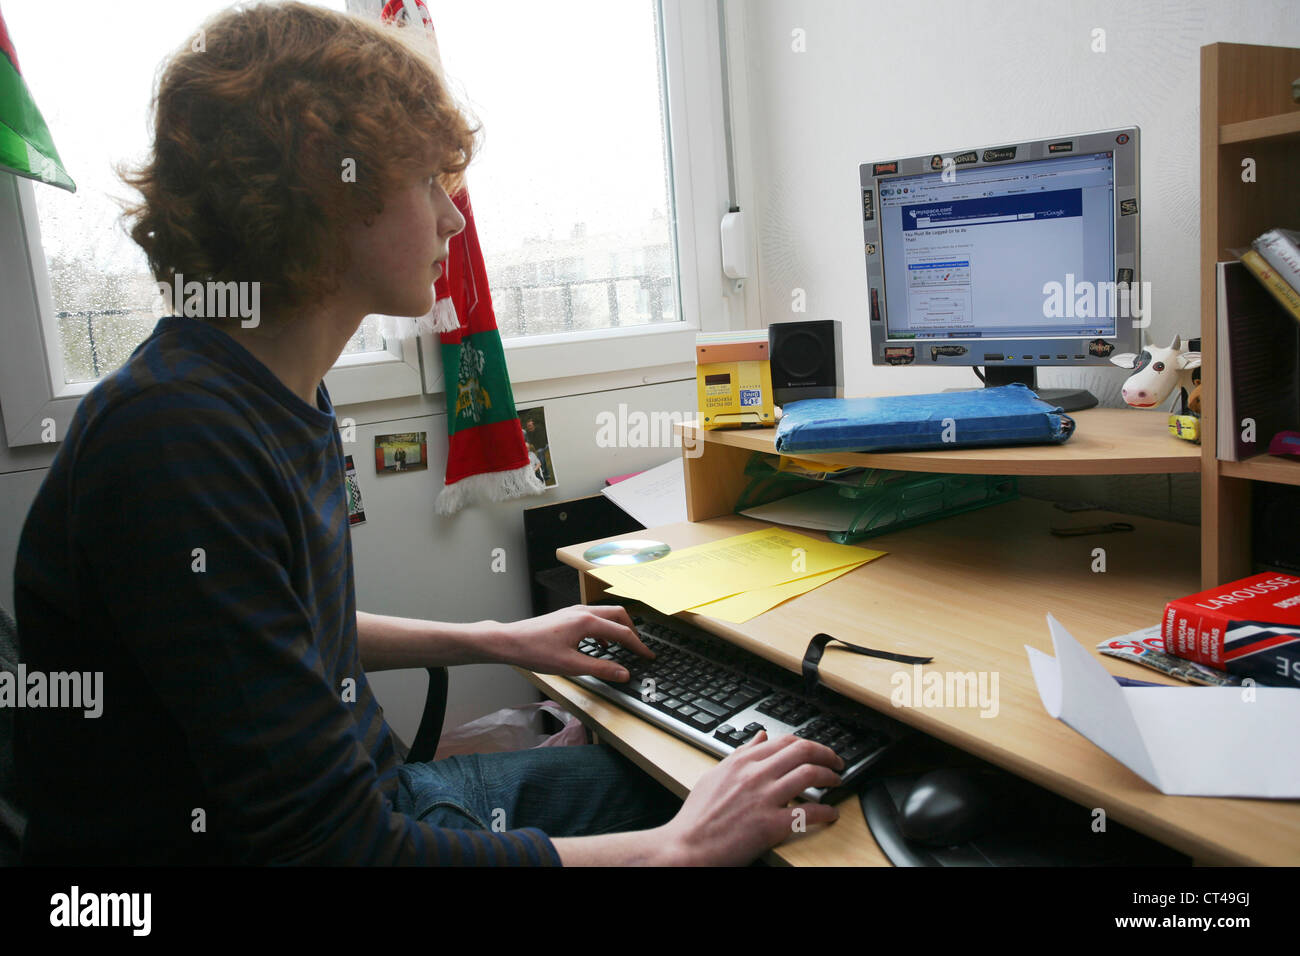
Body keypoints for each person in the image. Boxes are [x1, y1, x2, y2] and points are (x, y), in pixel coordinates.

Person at [12, 1, 841, 866]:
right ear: (325, 185)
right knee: (762, 838)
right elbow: (341, 855)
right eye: (427, 184)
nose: (453, 219)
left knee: (755, 795)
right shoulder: (178, 443)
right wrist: (676, 851)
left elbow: (284, 634)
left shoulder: (264, 389)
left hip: (391, 797)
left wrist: (497, 638)